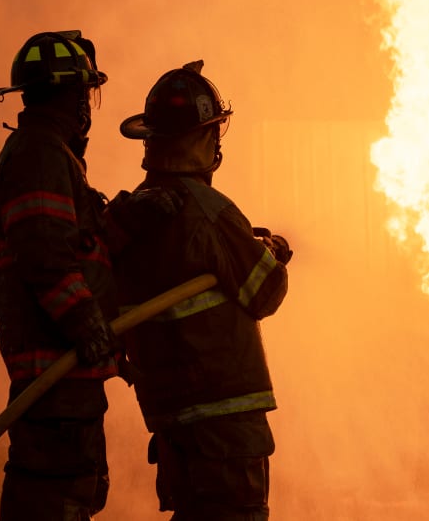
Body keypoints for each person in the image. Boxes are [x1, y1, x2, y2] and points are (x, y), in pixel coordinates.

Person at [108, 60, 292, 520]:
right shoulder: (209, 211)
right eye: (213, 133)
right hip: (226, 428)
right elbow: (265, 291)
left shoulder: (130, 219)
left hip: (173, 423)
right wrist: (268, 254)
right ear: (203, 139)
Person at [0, 30, 122, 521]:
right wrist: (88, 323)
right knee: (52, 502)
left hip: (65, 380)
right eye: (86, 92)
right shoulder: (39, 155)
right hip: (53, 377)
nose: (88, 105)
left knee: (71, 498)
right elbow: (45, 255)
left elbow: (75, 249)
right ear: (69, 94)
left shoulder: (49, 156)